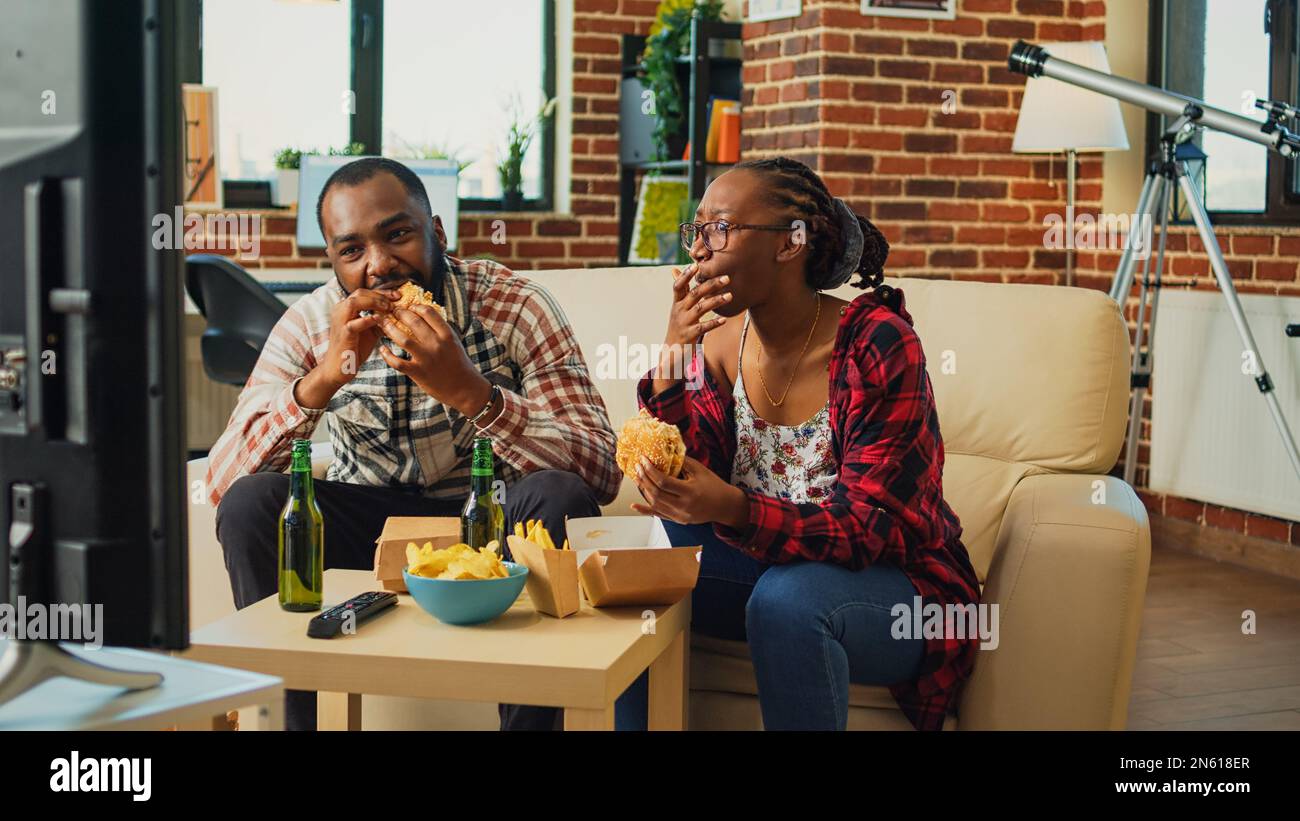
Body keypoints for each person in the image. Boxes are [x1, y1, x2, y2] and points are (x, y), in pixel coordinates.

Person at [207, 157, 619, 731]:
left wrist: (473, 393)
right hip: (364, 536)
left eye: (397, 234)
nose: (378, 265)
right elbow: (221, 484)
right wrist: (324, 380)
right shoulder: (311, 323)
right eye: (351, 251)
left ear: (438, 232)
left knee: (556, 495)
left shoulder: (515, 306)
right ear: (332, 261)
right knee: (254, 504)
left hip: (487, 530)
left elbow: (600, 468)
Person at [618, 156, 981, 731]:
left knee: (788, 599)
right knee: (628, 569)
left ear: (790, 243)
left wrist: (731, 507)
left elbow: (871, 529)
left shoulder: (878, 344)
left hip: (900, 590)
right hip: (769, 564)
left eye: (721, 228)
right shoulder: (717, 343)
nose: (698, 250)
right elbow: (688, 465)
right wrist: (671, 353)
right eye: (698, 229)